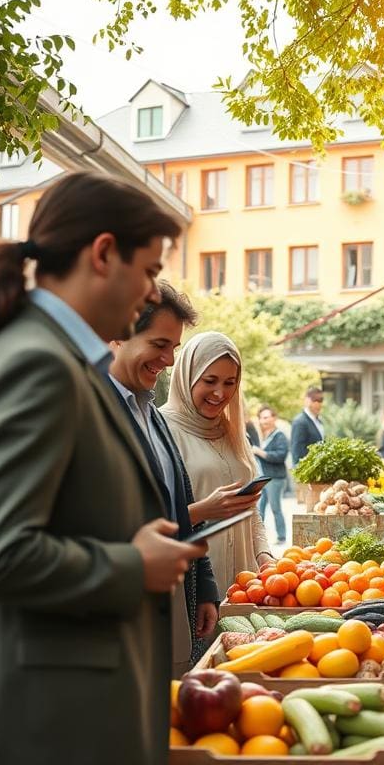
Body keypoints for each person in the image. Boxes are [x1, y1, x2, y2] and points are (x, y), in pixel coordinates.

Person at [0, 172, 209, 765]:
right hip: (35, 722)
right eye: (149, 270)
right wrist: (132, 563)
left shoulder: (53, 358)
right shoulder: (35, 363)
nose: (152, 294)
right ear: (102, 253)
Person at [109, 282, 243, 674]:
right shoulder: (92, 412)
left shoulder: (150, 415)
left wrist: (204, 586)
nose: (169, 360)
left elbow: (176, 511)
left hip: (171, 607)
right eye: (159, 344)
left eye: (174, 348)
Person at [161, 331, 275, 593]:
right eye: (210, 380)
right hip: (192, 586)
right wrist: (202, 510)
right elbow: (150, 519)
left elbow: (250, 509)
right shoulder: (162, 430)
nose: (219, 393)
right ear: (187, 376)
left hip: (246, 587)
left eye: (229, 382)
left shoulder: (232, 431)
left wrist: (264, 556)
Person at [252, 405, 289, 544]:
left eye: (267, 417)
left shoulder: (280, 436)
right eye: (261, 418)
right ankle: (258, 537)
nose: (264, 420)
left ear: (274, 418)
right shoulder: (263, 435)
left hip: (276, 478)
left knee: (275, 507)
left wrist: (260, 452)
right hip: (263, 478)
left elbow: (280, 456)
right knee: (260, 508)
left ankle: (281, 537)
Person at [291, 386, 325, 467]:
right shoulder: (300, 422)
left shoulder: (319, 421)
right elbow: (297, 452)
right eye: (315, 400)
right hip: (306, 473)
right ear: (307, 400)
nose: (318, 404)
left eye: (320, 400)